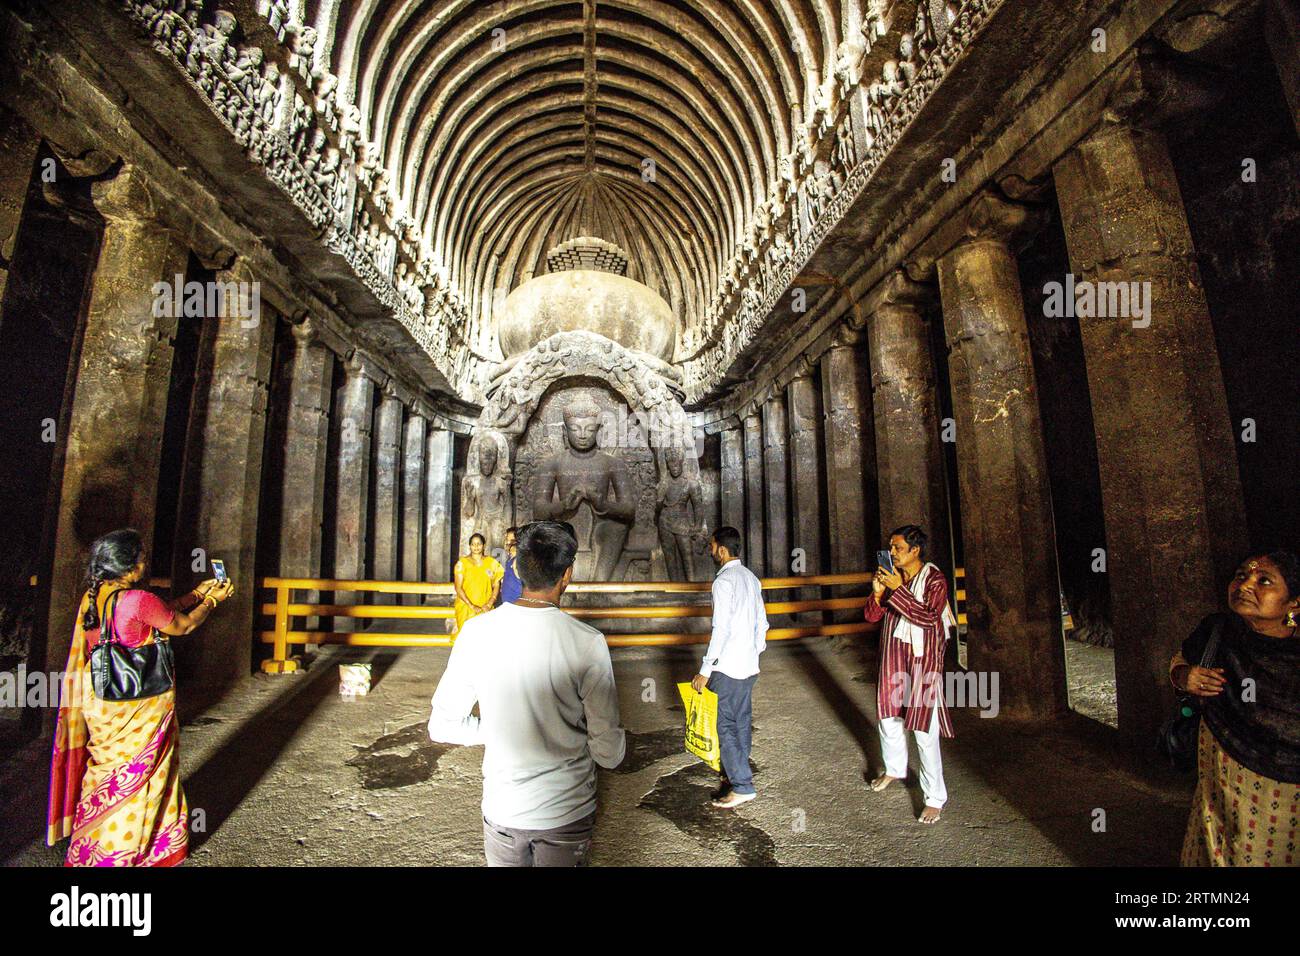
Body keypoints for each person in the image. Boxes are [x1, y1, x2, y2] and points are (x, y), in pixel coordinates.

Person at [428, 521, 625, 866]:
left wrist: (500, 726)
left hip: (504, 806)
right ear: (567, 575)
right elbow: (608, 752)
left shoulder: (476, 633)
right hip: (567, 809)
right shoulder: (587, 642)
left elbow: (442, 726)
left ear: (516, 567)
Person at [47, 528, 234, 866]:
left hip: (102, 695)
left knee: (108, 773)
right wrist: (211, 601)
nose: (145, 563)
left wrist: (195, 593)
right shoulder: (137, 599)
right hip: (137, 701)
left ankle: (92, 847)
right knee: (142, 775)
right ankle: (129, 850)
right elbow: (183, 626)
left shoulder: (94, 596)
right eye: (141, 558)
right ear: (129, 566)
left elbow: (159, 614)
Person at [1171, 550, 1300, 866]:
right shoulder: (1217, 630)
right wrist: (1183, 676)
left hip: (1285, 801)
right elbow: (1179, 662)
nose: (1244, 586)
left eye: (1263, 580)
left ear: (1294, 602)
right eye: (1241, 575)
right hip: (1218, 792)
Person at [863, 524, 957, 824]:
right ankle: (894, 768)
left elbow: (929, 617)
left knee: (923, 728)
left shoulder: (935, 579)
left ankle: (935, 798)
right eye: (890, 547)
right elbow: (871, 616)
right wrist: (878, 594)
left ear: (915, 550)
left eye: (898, 548)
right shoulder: (893, 577)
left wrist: (896, 590)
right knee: (889, 718)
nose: (892, 553)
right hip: (893, 656)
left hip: (922, 660)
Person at [691, 526, 768, 809]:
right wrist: (754, 651)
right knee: (740, 721)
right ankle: (735, 775)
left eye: (713, 547)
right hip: (748, 665)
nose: (711, 551)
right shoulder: (751, 578)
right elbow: (764, 623)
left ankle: (742, 785)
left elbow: (720, 629)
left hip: (728, 667)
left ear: (722, 550)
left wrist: (705, 670)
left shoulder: (723, 582)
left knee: (724, 725)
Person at [452, 532, 503, 641]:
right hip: (466, 607)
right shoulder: (462, 563)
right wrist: (471, 606)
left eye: (479, 544)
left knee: (483, 638)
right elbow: (458, 588)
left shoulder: (492, 563)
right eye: (473, 544)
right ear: (469, 546)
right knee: (466, 639)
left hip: (485, 607)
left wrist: (489, 604)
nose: (476, 547)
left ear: (484, 545)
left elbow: (496, 584)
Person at [498, 526, 522, 605]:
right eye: (507, 540)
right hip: (507, 605)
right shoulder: (509, 559)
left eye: (512, 541)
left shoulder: (517, 560)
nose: (507, 543)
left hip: (516, 605)